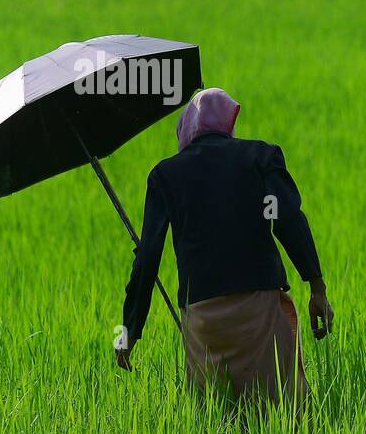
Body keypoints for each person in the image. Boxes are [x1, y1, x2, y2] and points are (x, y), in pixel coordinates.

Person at [117, 88, 333, 403]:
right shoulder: (260, 156)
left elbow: (148, 257)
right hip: (259, 307)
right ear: (227, 123)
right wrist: (317, 288)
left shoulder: (165, 175)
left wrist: (130, 332)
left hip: (203, 318)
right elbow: (288, 218)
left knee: (219, 422)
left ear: (187, 128)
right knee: (283, 416)